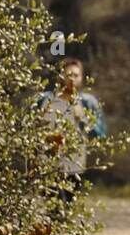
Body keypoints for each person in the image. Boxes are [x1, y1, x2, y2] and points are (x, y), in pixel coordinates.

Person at [37, 58, 107, 202]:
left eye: (76, 75)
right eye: (68, 75)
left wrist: (82, 119)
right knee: (52, 209)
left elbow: (100, 134)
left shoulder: (87, 102)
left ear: (81, 77)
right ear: (60, 76)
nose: (72, 79)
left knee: (68, 208)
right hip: (47, 167)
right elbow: (29, 130)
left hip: (74, 168)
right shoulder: (44, 100)